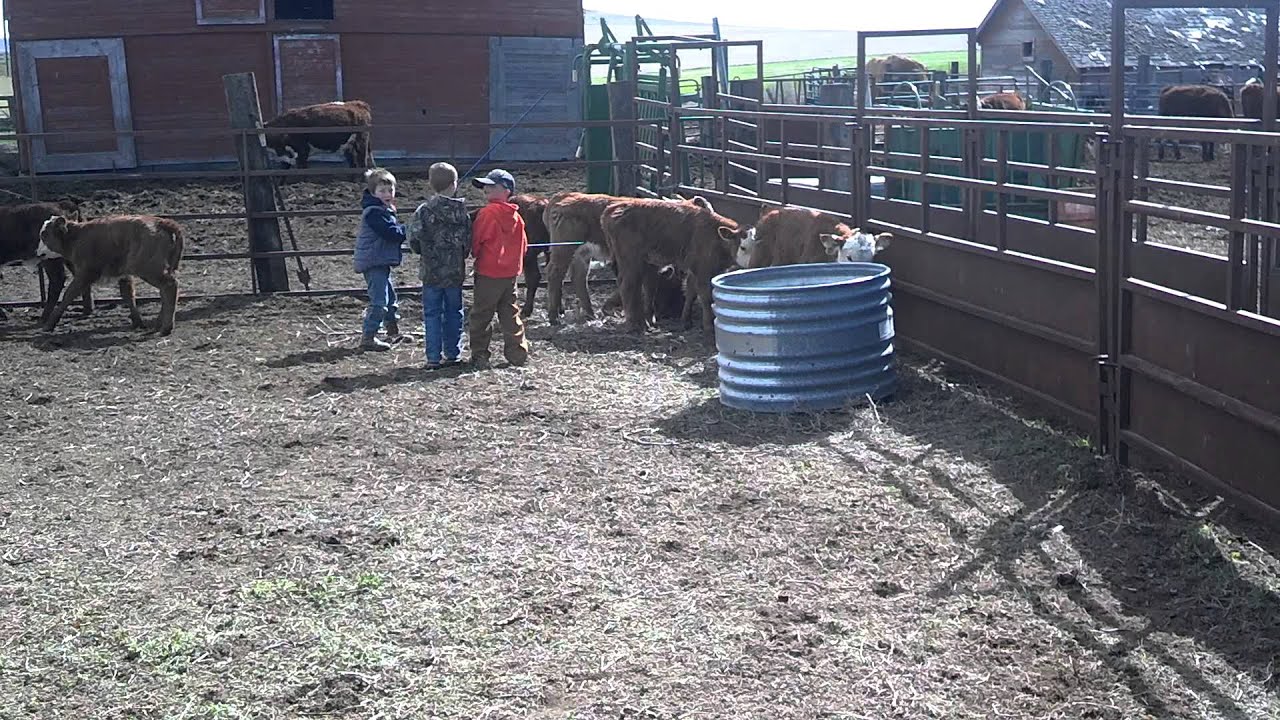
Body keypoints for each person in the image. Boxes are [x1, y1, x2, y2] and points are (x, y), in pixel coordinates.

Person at [408, 162, 470, 369]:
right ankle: (453, 353)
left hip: (431, 273)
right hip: (454, 273)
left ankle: (433, 357)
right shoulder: (461, 212)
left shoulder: (424, 211)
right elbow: (467, 242)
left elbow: (414, 240)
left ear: (431, 184)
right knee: (454, 312)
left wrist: (426, 253)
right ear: (454, 184)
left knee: (432, 314)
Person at [467, 168, 530, 369]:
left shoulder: (487, 213)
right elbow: (524, 245)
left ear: (506, 190)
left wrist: (473, 253)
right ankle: (518, 354)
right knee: (510, 313)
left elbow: (478, 240)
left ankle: (480, 355)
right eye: (486, 186)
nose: (486, 189)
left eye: (491, 186)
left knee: (481, 315)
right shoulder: (516, 217)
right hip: (510, 273)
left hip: (488, 271)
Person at [352, 167, 407, 352]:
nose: (387, 194)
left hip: (379, 260)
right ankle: (368, 336)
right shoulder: (374, 212)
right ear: (373, 192)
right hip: (373, 261)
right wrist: (409, 229)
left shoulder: (384, 209)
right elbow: (391, 234)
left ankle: (392, 331)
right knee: (379, 301)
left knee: (390, 298)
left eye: (390, 190)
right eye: (382, 191)